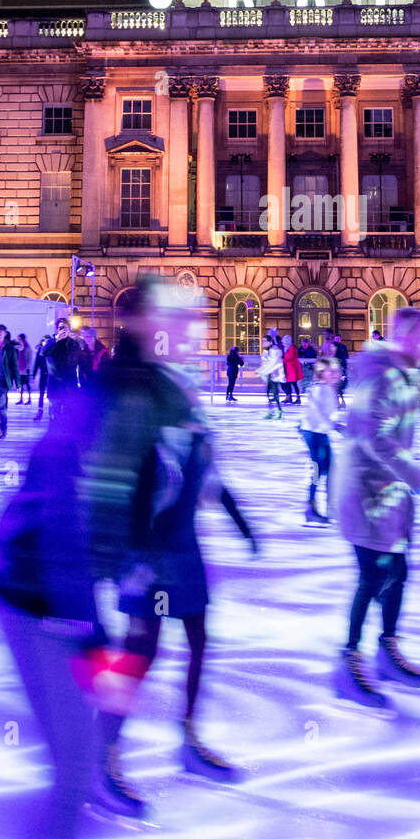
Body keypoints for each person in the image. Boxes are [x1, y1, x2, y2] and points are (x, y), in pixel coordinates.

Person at [94, 280, 258, 811]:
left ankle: (187, 737)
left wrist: (239, 519)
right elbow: (120, 475)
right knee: (141, 649)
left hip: (181, 543)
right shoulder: (133, 383)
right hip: (152, 548)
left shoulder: (176, 383)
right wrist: (130, 553)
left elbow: (202, 464)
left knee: (197, 638)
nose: (191, 330)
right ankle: (103, 752)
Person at [334, 306, 420, 706]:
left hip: (389, 496)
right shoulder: (382, 376)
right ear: (405, 337)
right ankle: (349, 657)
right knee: (373, 578)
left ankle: (387, 648)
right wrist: (417, 477)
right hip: (367, 497)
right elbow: (374, 437)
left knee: (398, 572)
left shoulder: (407, 375)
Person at [298, 357, 343, 525]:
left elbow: (329, 415)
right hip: (313, 433)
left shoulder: (329, 389)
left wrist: (337, 425)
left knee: (330, 469)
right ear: (321, 373)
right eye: (330, 371)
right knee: (317, 470)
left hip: (320, 433)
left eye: (336, 371)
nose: (335, 374)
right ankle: (311, 508)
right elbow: (317, 413)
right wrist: (335, 426)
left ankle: (329, 508)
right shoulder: (318, 389)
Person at [45, 317, 81, 422]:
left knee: (68, 414)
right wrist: (56, 340)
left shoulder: (74, 344)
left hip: (69, 384)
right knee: (54, 414)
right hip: (55, 384)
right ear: (57, 330)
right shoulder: (52, 342)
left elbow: (81, 360)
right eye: (60, 328)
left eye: (65, 328)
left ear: (69, 329)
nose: (63, 330)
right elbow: (45, 352)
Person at [259, 336, 284, 419]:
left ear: (270, 342)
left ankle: (279, 412)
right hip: (269, 374)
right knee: (268, 393)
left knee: (275, 393)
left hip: (274, 374)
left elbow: (274, 363)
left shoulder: (274, 350)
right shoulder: (266, 351)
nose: (263, 342)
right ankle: (271, 412)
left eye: (265, 341)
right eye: (262, 341)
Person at [32, 333, 52, 420]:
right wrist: (33, 375)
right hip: (43, 375)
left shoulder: (52, 351)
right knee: (41, 394)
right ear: (42, 342)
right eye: (45, 342)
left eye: (48, 342)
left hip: (52, 376)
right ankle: (40, 412)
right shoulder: (39, 352)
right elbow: (36, 364)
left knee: (51, 395)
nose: (46, 343)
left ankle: (52, 413)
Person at [281, 334, 303, 405]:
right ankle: (289, 397)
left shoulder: (291, 348)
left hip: (292, 369)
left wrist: (284, 357)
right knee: (289, 384)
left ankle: (297, 398)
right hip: (289, 369)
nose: (283, 344)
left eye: (284, 342)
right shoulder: (288, 348)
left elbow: (289, 357)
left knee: (294, 384)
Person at [16, 333, 33, 404]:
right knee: (20, 385)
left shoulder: (28, 348)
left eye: (19, 339)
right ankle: (21, 399)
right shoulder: (19, 348)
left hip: (26, 370)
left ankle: (29, 399)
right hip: (20, 370)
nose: (18, 340)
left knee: (27, 384)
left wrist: (28, 369)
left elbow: (29, 359)